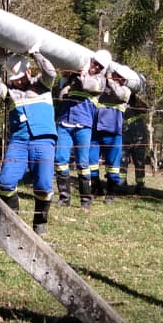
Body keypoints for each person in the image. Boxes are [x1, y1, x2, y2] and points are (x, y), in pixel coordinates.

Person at [0, 46, 58, 235]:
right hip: (19, 142)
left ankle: (39, 223)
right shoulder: (10, 91)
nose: (17, 81)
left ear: (29, 71)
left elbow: (50, 72)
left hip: (43, 140)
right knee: (5, 182)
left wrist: (35, 53)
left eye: (20, 77)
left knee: (43, 185)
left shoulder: (43, 84)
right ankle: (14, 221)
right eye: (14, 79)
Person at [53, 51, 110, 209]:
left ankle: (85, 200)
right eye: (95, 63)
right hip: (65, 122)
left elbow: (87, 85)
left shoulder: (100, 81)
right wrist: (65, 77)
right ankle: (64, 198)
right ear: (91, 60)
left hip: (83, 125)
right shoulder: (74, 77)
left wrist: (81, 72)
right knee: (60, 160)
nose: (95, 67)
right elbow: (60, 95)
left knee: (83, 163)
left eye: (100, 66)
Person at [90, 59, 132, 203]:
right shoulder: (102, 89)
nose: (114, 77)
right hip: (96, 132)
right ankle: (96, 188)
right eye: (114, 74)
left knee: (113, 166)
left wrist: (110, 80)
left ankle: (110, 193)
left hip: (113, 134)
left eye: (117, 76)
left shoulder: (126, 91)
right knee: (91, 162)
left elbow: (119, 94)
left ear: (123, 79)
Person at [121, 85, 150, 195]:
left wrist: (135, 100)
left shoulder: (135, 102)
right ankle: (122, 184)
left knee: (139, 162)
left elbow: (145, 109)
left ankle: (140, 185)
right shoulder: (118, 100)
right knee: (122, 161)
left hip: (138, 138)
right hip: (124, 137)